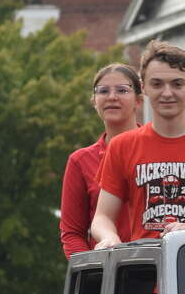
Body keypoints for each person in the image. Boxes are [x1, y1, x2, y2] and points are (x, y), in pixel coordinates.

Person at [91, 41, 185, 248]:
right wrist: (109, 237)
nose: (167, 93)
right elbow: (102, 217)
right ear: (144, 87)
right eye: (157, 84)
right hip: (146, 271)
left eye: (177, 84)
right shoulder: (122, 145)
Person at [59, 63, 144, 257]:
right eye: (103, 91)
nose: (112, 97)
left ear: (138, 101)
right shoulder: (80, 161)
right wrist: (93, 270)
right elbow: (72, 234)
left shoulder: (158, 150)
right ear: (94, 101)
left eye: (122, 90)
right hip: (107, 272)